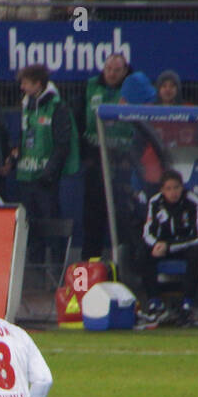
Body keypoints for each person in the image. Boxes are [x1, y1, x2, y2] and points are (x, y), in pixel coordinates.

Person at [14, 64, 79, 268]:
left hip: (45, 181)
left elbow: (62, 144)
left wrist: (48, 175)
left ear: (38, 84)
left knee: (51, 227)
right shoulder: (26, 105)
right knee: (30, 228)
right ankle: (34, 275)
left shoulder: (58, 107)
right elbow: (24, 137)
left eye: (25, 83)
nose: (22, 87)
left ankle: (57, 274)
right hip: (25, 178)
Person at [80, 52, 132, 260]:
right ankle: (90, 262)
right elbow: (80, 121)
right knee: (93, 216)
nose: (111, 73)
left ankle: (124, 264)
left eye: (117, 70)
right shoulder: (91, 86)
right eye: (108, 69)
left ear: (125, 71)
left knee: (122, 216)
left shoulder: (132, 88)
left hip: (123, 164)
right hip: (96, 163)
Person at [137, 168, 198, 327]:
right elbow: (147, 232)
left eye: (176, 188)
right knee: (143, 252)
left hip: (184, 246)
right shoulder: (155, 202)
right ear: (162, 190)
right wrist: (156, 245)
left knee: (196, 253)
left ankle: (187, 304)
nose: (173, 192)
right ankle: (155, 303)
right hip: (162, 246)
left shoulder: (193, 202)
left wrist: (169, 247)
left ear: (182, 187)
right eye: (168, 189)